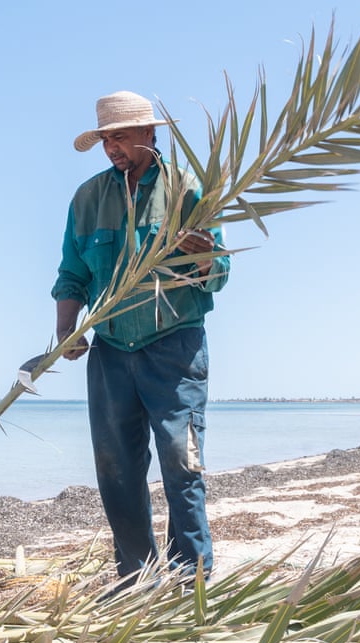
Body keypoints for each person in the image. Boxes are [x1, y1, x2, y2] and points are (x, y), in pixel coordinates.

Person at [51, 90, 229, 588]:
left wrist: (202, 256)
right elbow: (72, 274)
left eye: (122, 137)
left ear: (151, 134)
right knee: (116, 468)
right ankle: (136, 578)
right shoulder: (88, 198)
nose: (113, 148)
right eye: (106, 139)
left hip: (174, 347)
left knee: (181, 457)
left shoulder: (187, 188)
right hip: (109, 352)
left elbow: (219, 272)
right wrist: (67, 329)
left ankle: (192, 576)